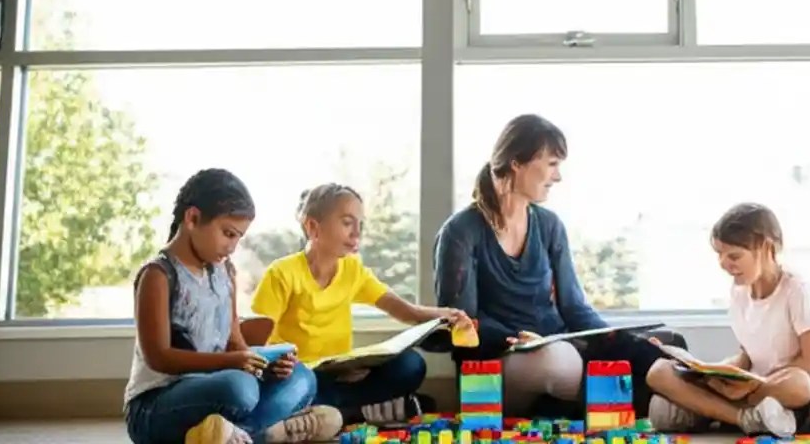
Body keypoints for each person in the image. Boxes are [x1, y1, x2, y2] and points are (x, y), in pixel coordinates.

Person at [433, 114, 667, 417]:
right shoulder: (461, 231)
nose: (558, 177)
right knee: (558, 362)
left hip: (556, 344)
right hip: (502, 360)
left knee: (662, 346)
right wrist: (518, 339)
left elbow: (575, 309)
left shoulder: (549, 225)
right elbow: (464, 323)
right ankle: (624, 403)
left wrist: (619, 339)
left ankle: (559, 409)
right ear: (517, 162)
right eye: (553, 164)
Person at [124, 168, 342, 444]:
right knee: (240, 388)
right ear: (193, 218)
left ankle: (230, 436)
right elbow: (159, 357)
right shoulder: (159, 275)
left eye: (239, 237)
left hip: (217, 388)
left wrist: (266, 366)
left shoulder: (225, 272)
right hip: (156, 405)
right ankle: (274, 432)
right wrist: (232, 363)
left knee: (302, 377)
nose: (232, 247)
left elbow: (234, 343)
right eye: (228, 234)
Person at [252, 184, 473, 427]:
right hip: (299, 375)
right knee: (298, 385)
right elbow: (256, 341)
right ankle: (359, 411)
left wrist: (445, 315)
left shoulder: (353, 270)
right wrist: (277, 365)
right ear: (313, 227)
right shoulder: (281, 273)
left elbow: (404, 310)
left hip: (341, 376)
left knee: (411, 365)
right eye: (347, 223)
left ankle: (337, 412)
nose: (357, 232)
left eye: (361, 224)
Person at [645, 203, 810, 438]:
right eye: (719, 255)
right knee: (659, 372)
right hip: (753, 391)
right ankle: (745, 418)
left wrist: (757, 384)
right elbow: (748, 355)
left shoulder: (797, 291)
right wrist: (711, 372)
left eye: (734, 255)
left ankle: (719, 411)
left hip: (797, 396)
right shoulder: (740, 292)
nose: (724, 263)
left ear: (766, 248)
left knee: (799, 383)